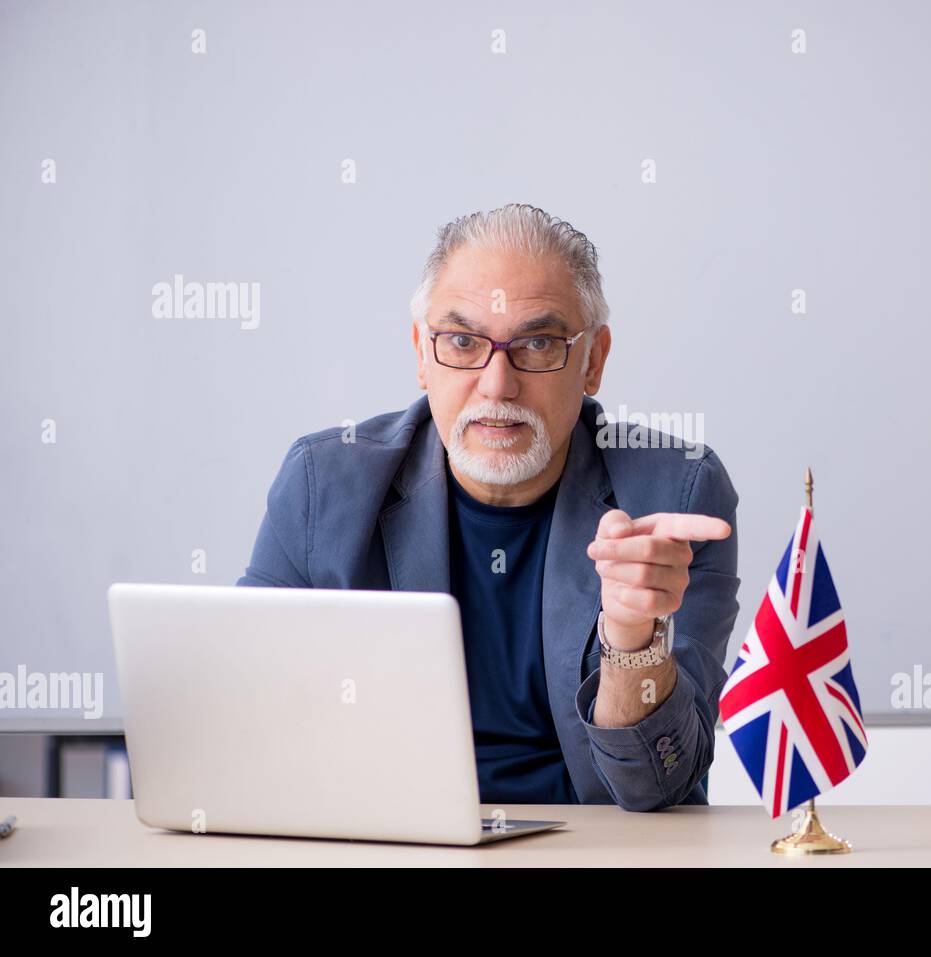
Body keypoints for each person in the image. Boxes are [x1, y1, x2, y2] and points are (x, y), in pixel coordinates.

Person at [238, 203, 741, 811]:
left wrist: (632, 640)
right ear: (422, 354)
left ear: (594, 360)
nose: (497, 383)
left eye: (537, 343)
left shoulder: (675, 498)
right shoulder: (323, 486)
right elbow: (250, 724)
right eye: (461, 341)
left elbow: (658, 787)